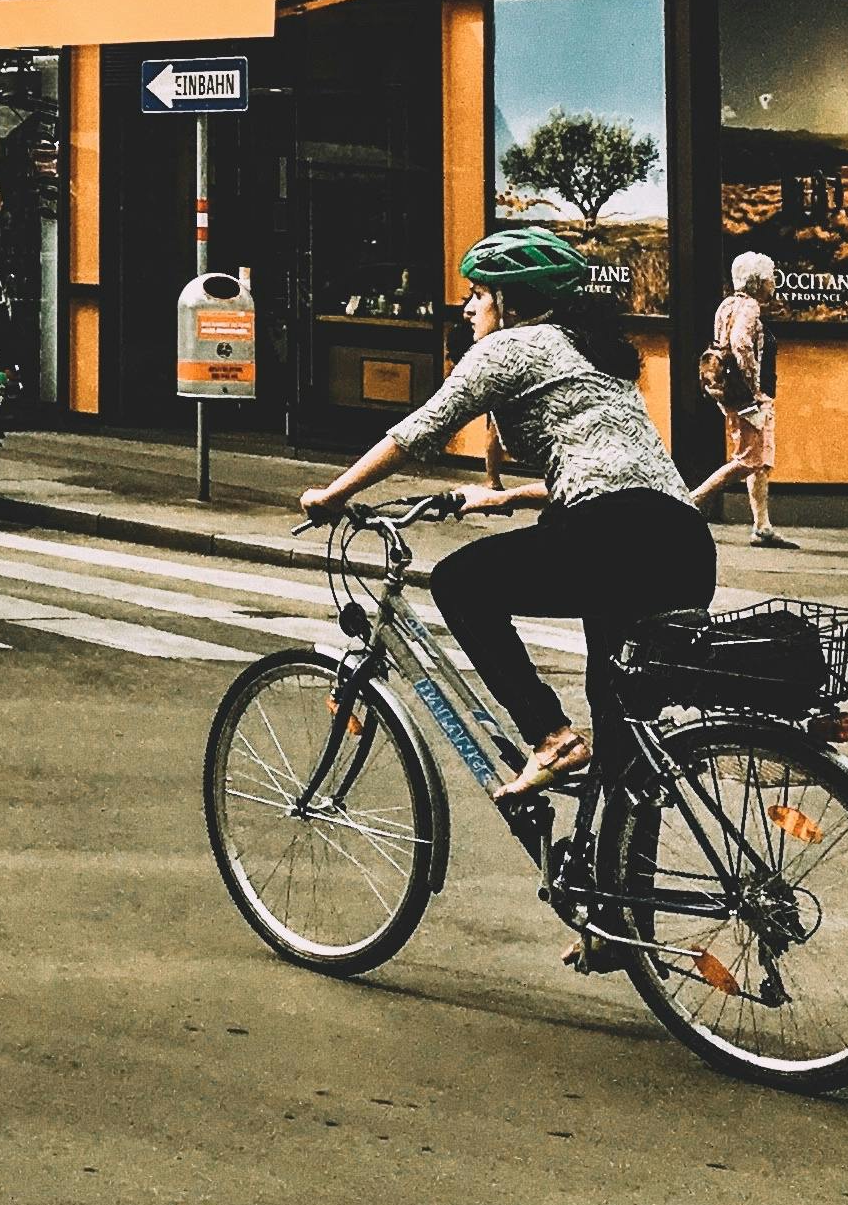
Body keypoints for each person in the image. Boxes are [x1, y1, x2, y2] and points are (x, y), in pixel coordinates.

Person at [299, 223, 714, 805]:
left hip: (612, 536)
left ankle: (549, 736)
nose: (468, 308)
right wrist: (510, 497)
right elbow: (618, 475)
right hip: (682, 542)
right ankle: (620, 890)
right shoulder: (593, 350)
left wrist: (332, 494)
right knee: (627, 740)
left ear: (512, 301)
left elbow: (420, 430)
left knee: (460, 582)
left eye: (478, 294)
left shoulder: (508, 347)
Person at [700, 250, 788, 547]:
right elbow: (740, 343)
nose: (774, 282)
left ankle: (762, 526)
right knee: (748, 460)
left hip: (732, 394)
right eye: (771, 277)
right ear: (759, 281)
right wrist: (754, 386)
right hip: (750, 396)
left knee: (759, 460)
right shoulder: (749, 307)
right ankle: (692, 500)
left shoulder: (727, 305)